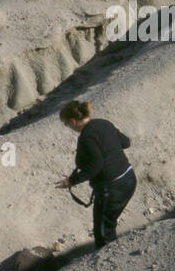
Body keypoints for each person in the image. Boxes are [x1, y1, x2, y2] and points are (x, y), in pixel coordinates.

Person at [55, 100, 136, 249]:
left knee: (103, 233)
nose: (68, 127)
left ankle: (106, 264)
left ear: (73, 121)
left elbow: (96, 165)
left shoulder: (86, 138)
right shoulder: (104, 123)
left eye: (66, 124)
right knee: (109, 223)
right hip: (129, 179)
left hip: (112, 189)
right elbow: (126, 142)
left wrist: (72, 181)